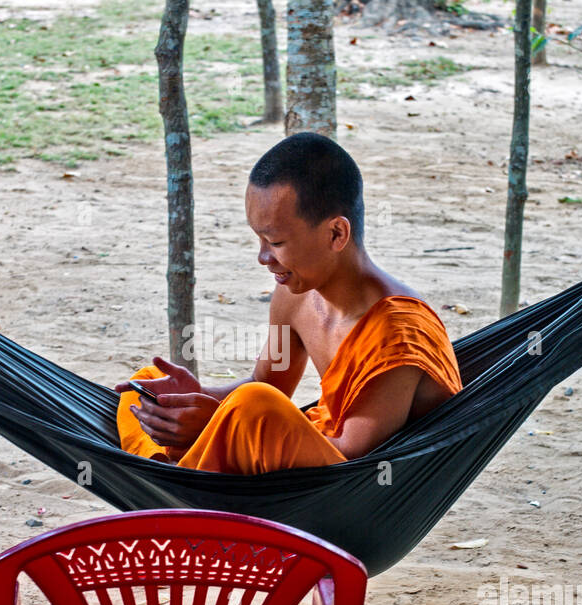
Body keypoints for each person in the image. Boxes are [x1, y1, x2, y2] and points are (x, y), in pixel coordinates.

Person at [114, 132, 462, 474]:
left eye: (276, 241)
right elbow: (267, 381)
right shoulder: (293, 297)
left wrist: (220, 423)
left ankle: (181, 477)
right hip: (294, 449)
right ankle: (172, 472)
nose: (263, 257)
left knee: (254, 408)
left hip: (344, 485)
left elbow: (350, 459)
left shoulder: (400, 333)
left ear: (336, 234)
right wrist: (195, 396)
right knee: (147, 386)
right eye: (259, 239)